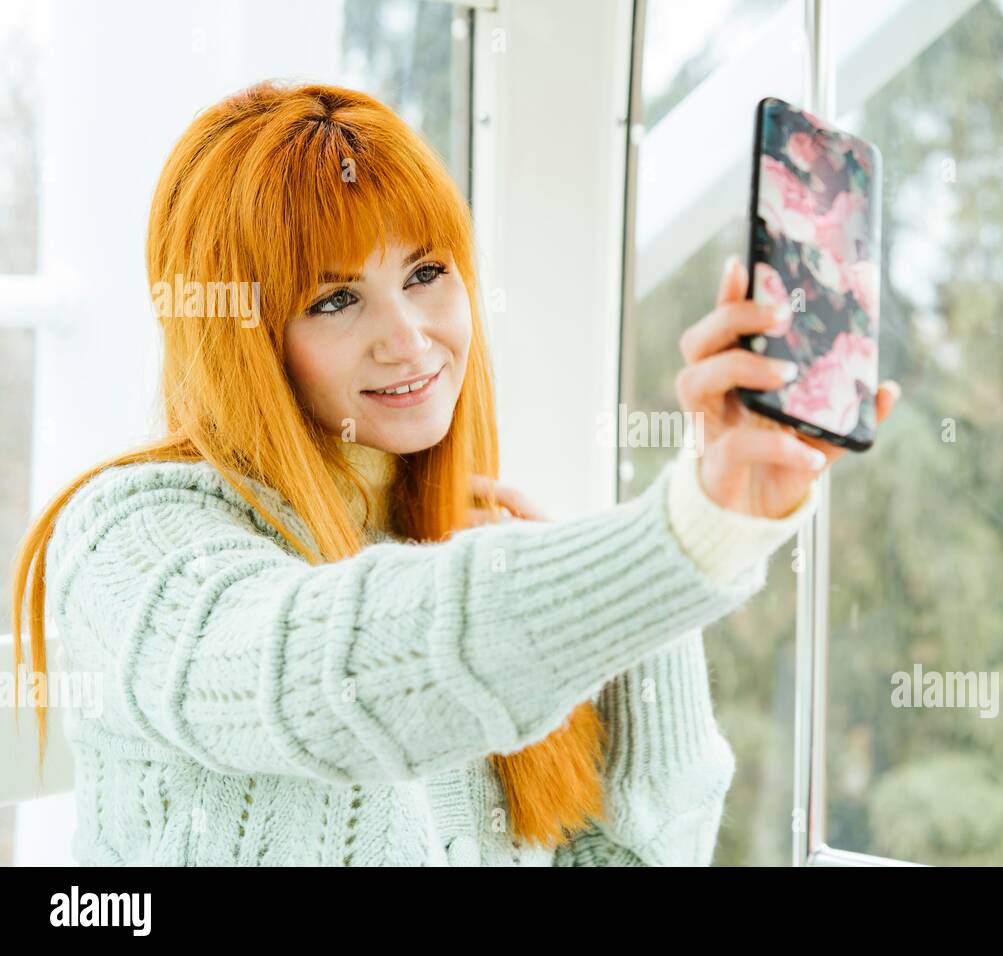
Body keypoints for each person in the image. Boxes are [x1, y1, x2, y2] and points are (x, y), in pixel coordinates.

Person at [9, 80, 898, 866]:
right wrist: (684, 532)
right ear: (238, 336)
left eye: (427, 272)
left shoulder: (478, 549)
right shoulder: (128, 537)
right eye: (334, 299)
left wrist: (657, 609)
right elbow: (322, 682)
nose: (408, 336)